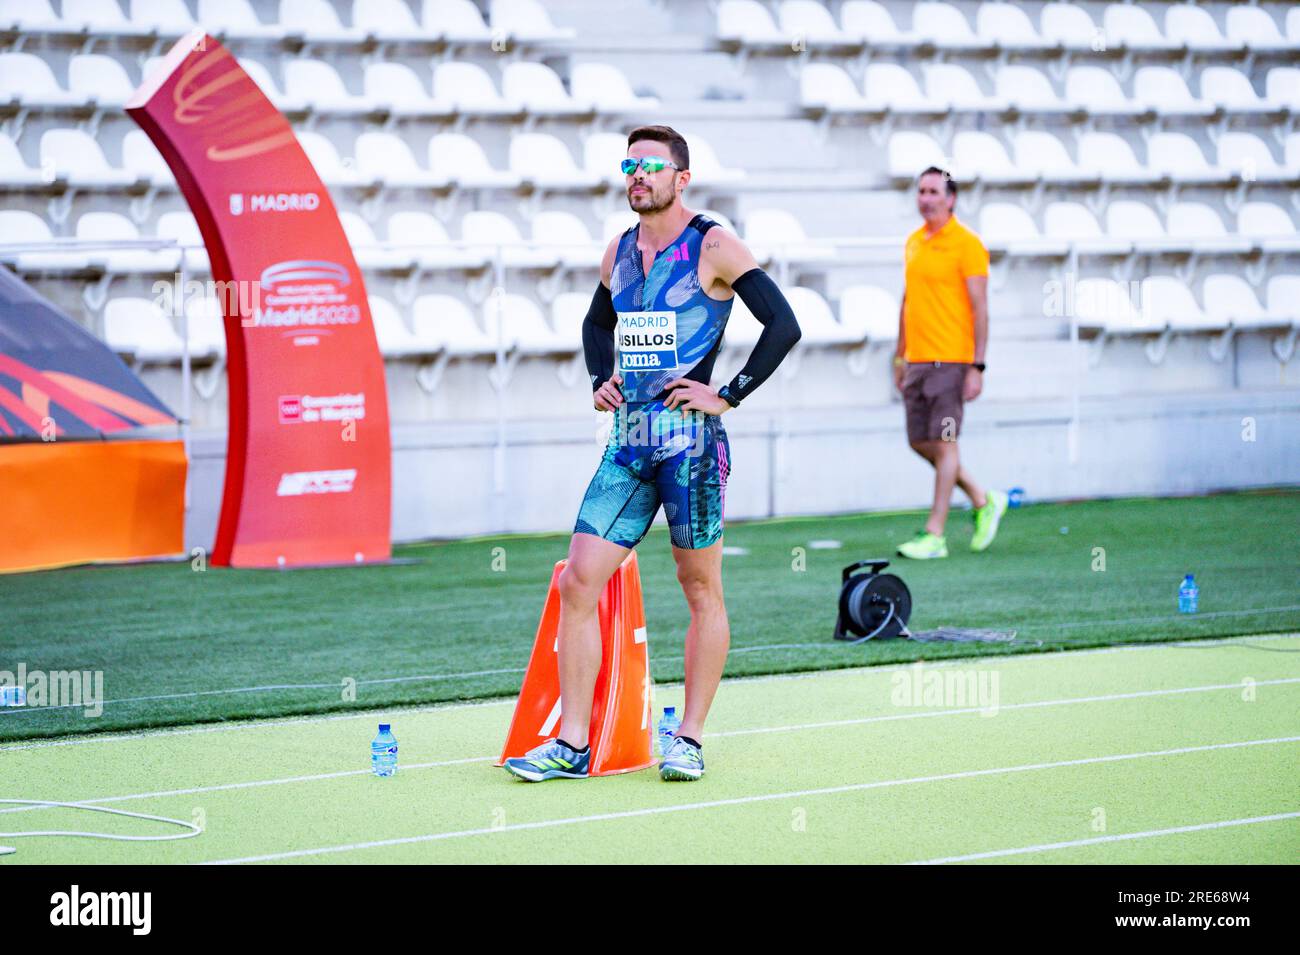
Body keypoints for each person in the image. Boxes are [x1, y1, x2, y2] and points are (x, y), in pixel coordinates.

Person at [503, 125, 801, 783]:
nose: (638, 175)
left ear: (681, 177)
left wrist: (729, 394)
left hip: (690, 445)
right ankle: (574, 743)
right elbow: (595, 323)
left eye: (652, 166)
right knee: (579, 578)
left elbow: (784, 325)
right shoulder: (620, 250)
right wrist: (597, 377)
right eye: (629, 165)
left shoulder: (713, 243)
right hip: (628, 444)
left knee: (699, 587)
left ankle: (688, 738)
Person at [893, 166, 1007, 560]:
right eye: (921, 191)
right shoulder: (913, 242)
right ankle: (982, 498)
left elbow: (980, 307)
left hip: (952, 362)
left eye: (933, 192)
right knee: (919, 442)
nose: (925, 198)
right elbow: (907, 301)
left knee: (945, 442)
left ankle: (935, 533)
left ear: (950, 198)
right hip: (918, 361)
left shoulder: (968, 244)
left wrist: (978, 365)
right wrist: (899, 353)